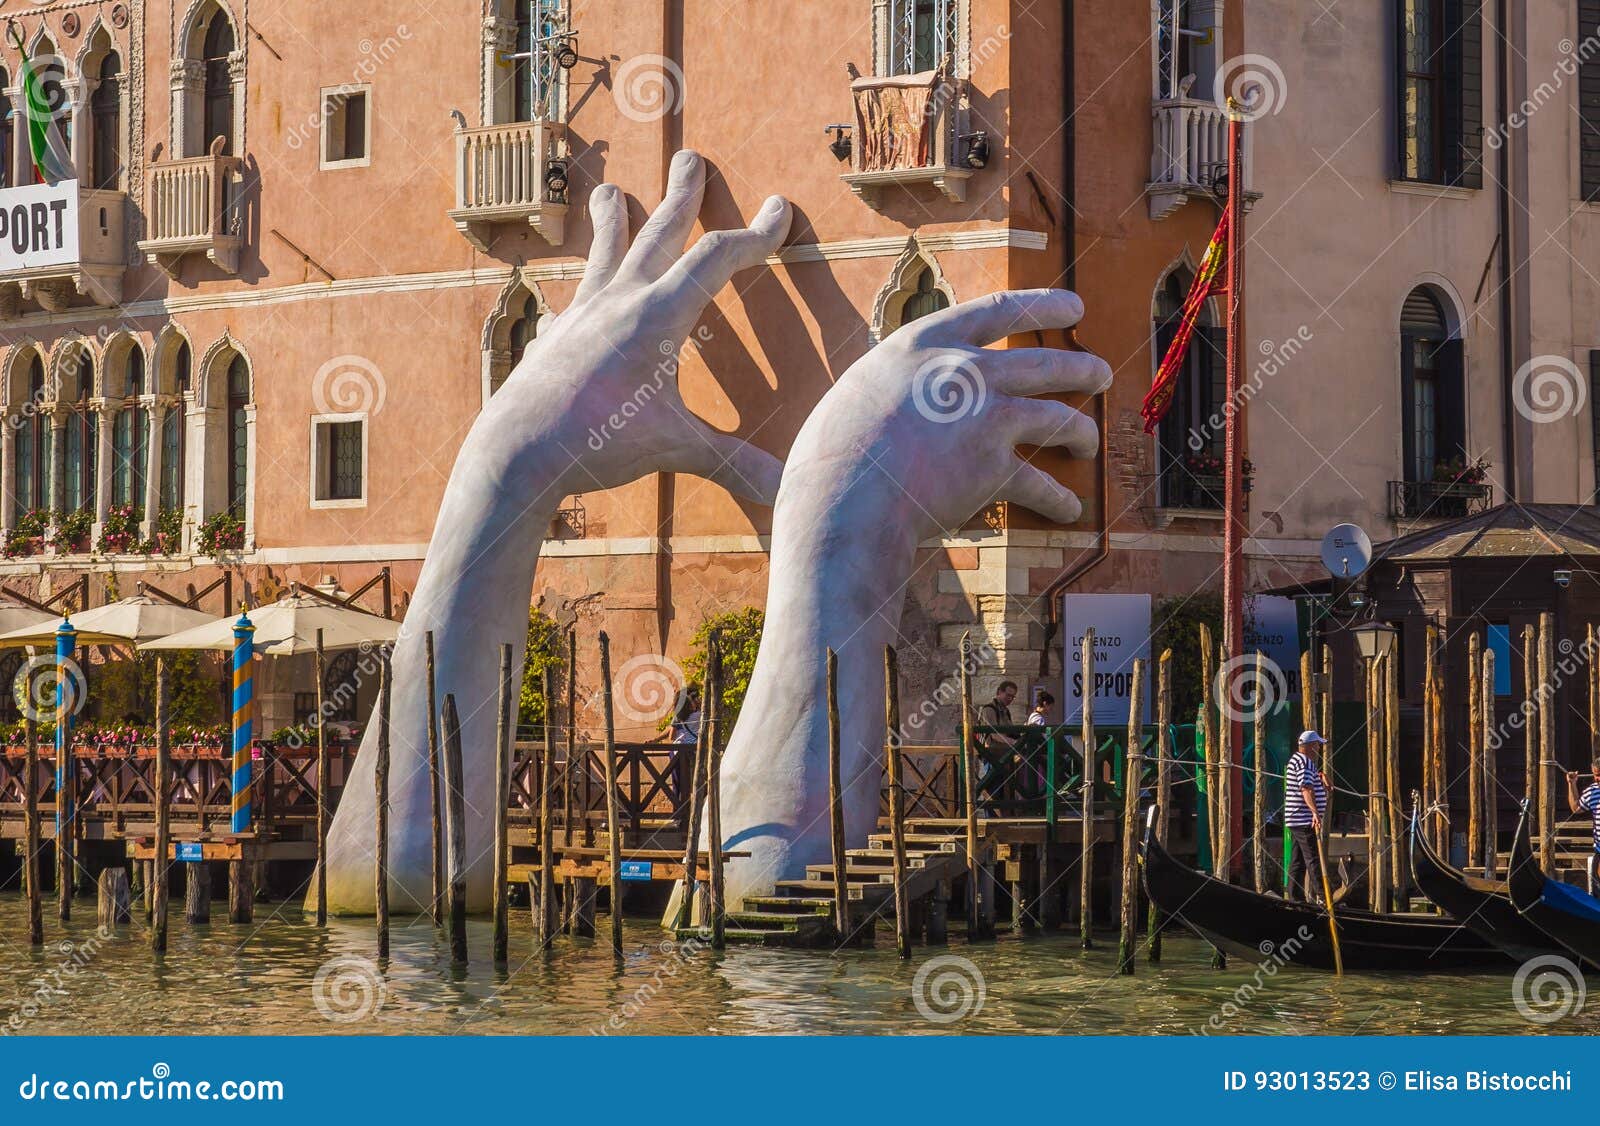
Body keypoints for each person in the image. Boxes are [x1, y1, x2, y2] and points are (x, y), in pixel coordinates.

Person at [1284, 730, 1329, 902]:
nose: (1319, 748)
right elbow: (1306, 789)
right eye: (1317, 745)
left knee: (1298, 860)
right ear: (1310, 746)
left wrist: (1319, 776)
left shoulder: (1296, 760)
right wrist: (1315, 813)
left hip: (1295, 818)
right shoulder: (1306, 763)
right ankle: (1324, 897)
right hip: (1303, 819)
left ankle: (1295, 896)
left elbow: (1306, 781)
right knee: (1313, 858)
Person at [1566, 759, 1600, 894]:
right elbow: (1576, 808)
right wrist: (1572, 784)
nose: (1597, 779)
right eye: (1595, 775)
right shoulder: (1592, 791)